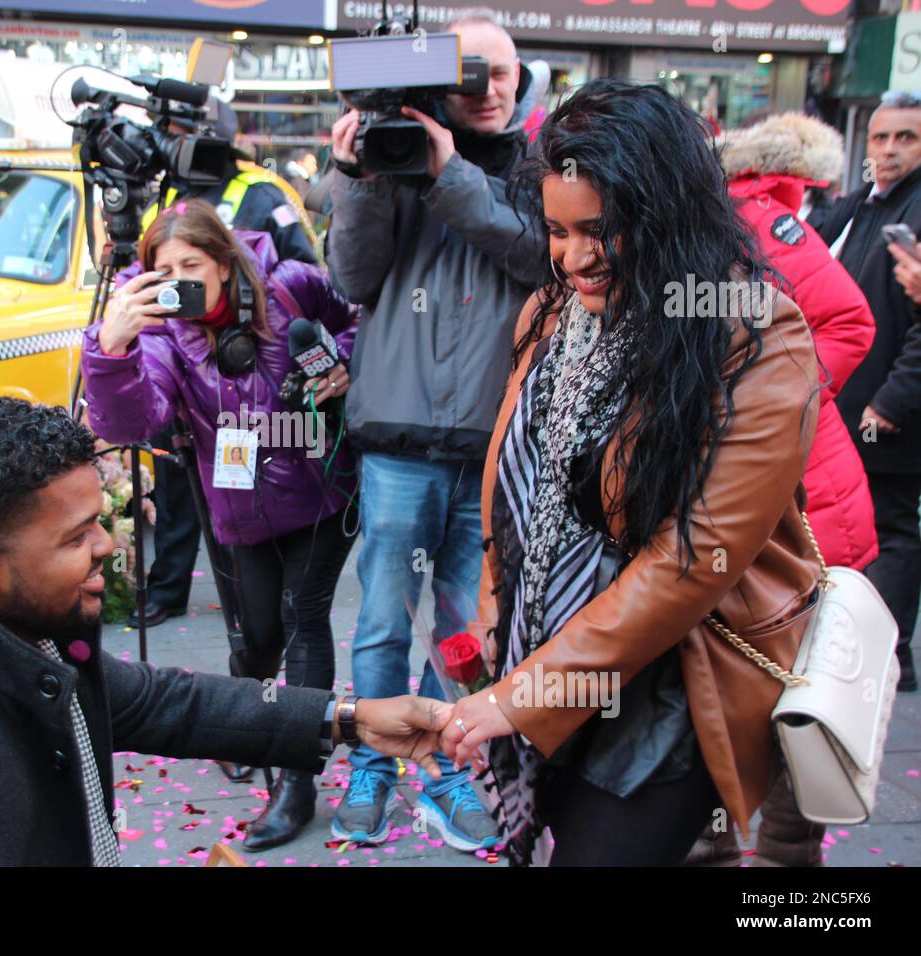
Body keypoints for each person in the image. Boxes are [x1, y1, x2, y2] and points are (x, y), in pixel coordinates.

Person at [0, 397, 450, 866]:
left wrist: (349, 720)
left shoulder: (9, 624)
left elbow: (159, 703)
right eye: (78, 535)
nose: (109, 547)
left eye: (102, 519)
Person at [440, 81, 823, 867]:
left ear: (664, 217)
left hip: (674, 687)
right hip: (550, 662)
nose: (574, 257)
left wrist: (525, 692)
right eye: (555, 230)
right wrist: (498, 645)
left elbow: (690, 565)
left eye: (600, 231)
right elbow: (508, 503)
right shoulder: (549, 313)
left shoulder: (755, 335)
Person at [324, 11, 544, 851]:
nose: (487, 90)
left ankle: (454, 764)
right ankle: (375, 763)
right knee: (382, 617)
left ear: (521, 80)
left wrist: (449, 173)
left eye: (502, 73)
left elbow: (533, 256)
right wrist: (360, 176)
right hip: (397, 443)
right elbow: (354, 276)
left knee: (462, 626)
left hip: (493, 446)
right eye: (470, 72)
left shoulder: (539, 168)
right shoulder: (391, 155)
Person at [81, 199, 357, 851]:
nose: (178, 278)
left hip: (323, 491)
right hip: (235, 503)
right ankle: (244, 718)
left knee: (303, 617)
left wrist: (343, 363)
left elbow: (352, 320)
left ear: (226, 261)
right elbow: (129, 424)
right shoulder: (161, 333)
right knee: (257, 639)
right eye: (163, 267)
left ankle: (296, 783)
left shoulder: (290, 285)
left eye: (192, 264)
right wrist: (112, 348)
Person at [681, 111, 880, 868]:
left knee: (805, 685)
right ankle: (711, 843)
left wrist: (770, 406)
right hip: (709, 503)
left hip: (803, 498)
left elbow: (847, 321)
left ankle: (788, 859)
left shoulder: (756, 222)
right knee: (707, 673)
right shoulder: (643, 233)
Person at [128, 97, 320, 632]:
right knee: (175, 490)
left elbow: (303, 278)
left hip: (251, 381)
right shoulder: (162, 200)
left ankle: (262, 600)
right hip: (186, 384)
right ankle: (168, 588)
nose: (173, 145)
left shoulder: (258, 192)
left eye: (182, 133)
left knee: (258, 495)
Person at [816, 89, 921, 692]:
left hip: (888, 411)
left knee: (891, 531)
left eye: (905, 137)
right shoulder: (860, 205)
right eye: (880, 137)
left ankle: (890, 658)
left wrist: (893, 402)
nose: (887, 149)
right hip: (848, 407)